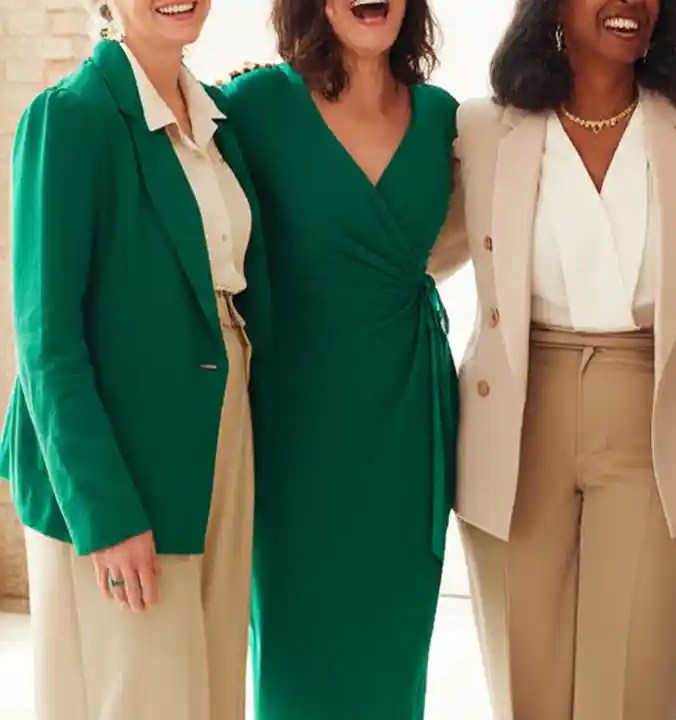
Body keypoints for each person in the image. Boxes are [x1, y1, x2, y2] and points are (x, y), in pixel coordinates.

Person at [449, 0, 676, 717]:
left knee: (635, 690)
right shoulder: (480, 127)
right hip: (517, 415)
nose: (633, 4)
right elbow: (407, 246)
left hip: (661, 413)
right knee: (527, 686)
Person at [0, 1, 271, 718]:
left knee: (209, 691)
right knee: (136, 695)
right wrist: (105, 513)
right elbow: (44, 339)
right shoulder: (71, 117)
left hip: (221, 427)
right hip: (119, 454)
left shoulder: (217, 123)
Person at [214, 0, 462, 717]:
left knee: (393, 654)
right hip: (295, 426)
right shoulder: (256, 104)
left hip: (409, 423)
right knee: (298, 659)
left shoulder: (443, 115)